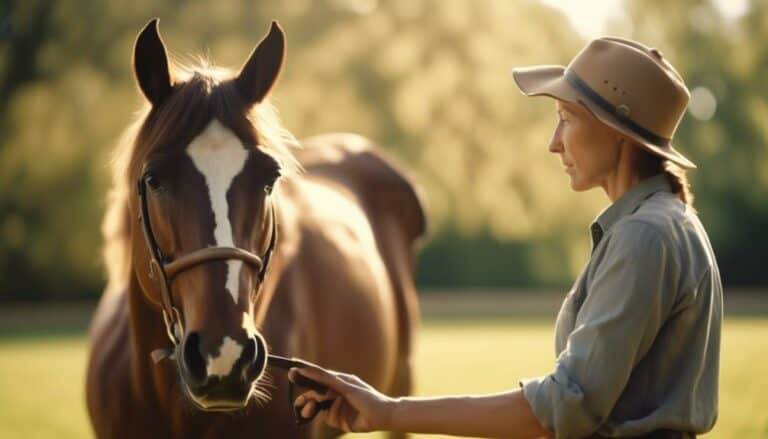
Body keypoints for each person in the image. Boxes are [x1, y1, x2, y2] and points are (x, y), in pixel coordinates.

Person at [289, 37, 723, 439]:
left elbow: (565, 407)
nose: (554, 143)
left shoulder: (644, 235)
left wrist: (390, 412)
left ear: (617, 131)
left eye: (566, 119)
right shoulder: (664, 223)